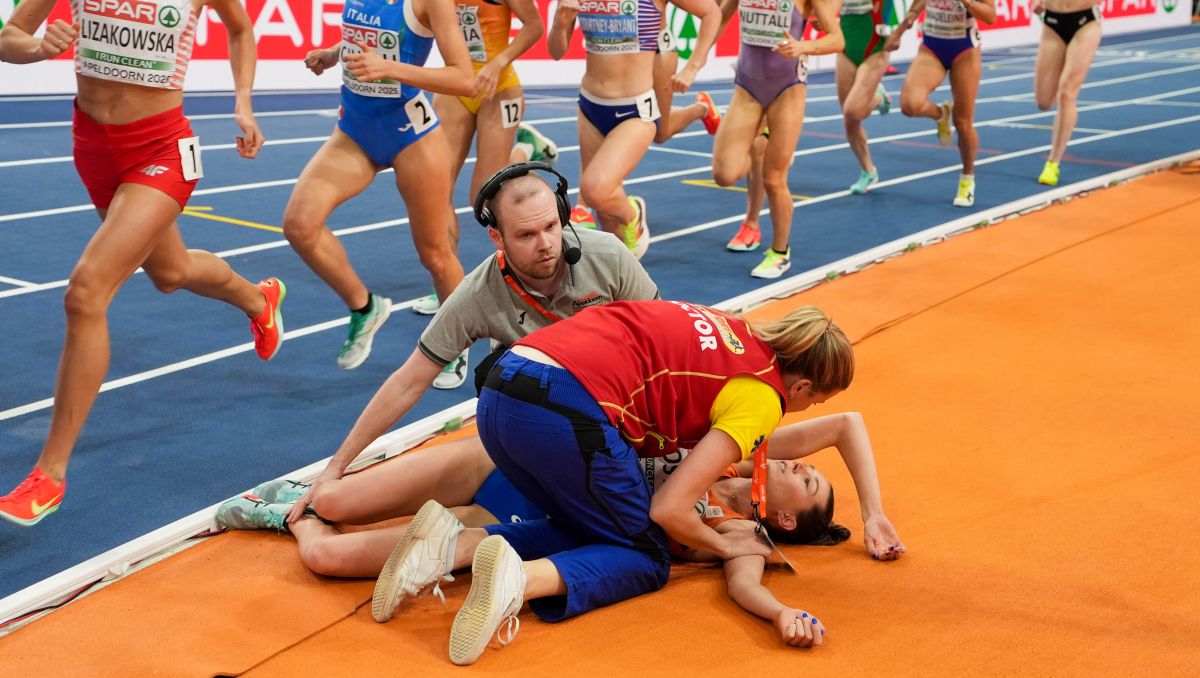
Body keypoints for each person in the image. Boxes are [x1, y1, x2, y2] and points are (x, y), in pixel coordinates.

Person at [370, 301, 886, 664]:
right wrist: (718, 546)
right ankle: (519, 581)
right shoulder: (761, 400)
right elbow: (667, 513)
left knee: (593, 529)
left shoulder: (732, 332)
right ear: (799, 387)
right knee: (646, 555)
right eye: (810, 402)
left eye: (809, 478)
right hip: (565, 408)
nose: (800, 461)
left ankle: (449, 548)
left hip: (505, 386)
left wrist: (775, 596)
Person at [217, 412, 904, 652]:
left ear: (784, 518)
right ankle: (313, 502)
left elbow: (748, 587)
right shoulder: (744, 444)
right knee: (340, 495)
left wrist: (785, 614)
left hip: (534, 523)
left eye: (806, 481)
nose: (797, 464)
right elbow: (846, 424)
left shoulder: (742, 537)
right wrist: (874, 512)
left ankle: (287, 516)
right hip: (509, 463)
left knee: (331, 554)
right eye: (808, 467)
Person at [0, 0, 280, 526]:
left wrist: (243, 104)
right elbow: (8, 36)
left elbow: (240, 29)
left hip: (163, 148)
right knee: (170, 272)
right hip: (93, 145)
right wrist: (36, 49)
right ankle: (257, 297)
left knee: (86, 291)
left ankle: (49, 475)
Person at [278, 163, 660, 528]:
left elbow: (665, 341)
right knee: (333, 501)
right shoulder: (478, 293)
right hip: (529, 435)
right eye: (526, 235)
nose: (546, 244)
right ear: (497, 237)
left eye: (551, 226)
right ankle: (280, 512)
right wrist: (335, 467)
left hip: (617, 426)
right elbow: (409, 381)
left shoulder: (608, 255)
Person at [282, 0, 475, 370]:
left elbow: (463, 78)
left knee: (435, 254)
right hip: (355, 131)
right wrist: (334, 53)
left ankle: (454, 345)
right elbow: (366, 40)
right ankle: (365, 307)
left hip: (411, 136)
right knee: (299, 225)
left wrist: (389, 69)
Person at [549, 0, 722, 256]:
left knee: (595, 189)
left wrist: (693, 66)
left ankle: (634, 214)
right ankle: (622, 279)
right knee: (605, 215)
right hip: (590, 105)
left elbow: (712, 12)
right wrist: (560, 25)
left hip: (636, 107)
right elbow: (556, 51)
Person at [713, 0, 844, 278]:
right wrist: (694, 62)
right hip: (747, 86)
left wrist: (803, 47)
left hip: (788, 88)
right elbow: (719, 18)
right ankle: (758, 142)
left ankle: (779, 252)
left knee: (774, 178)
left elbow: (836, 39)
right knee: (724, 174)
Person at [885, 0, 996, 207]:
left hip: (965, 49)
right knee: (909, 104)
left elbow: (990, 15)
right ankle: (940, 114)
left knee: (963, 123)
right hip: (932, 47)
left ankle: (967, 179)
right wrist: (900, 30)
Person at [1031, 0, 1102, 186]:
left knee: (1067, 92)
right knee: (1043, 101)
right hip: (1053, 21)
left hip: (1085, 21)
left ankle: (1053, 161)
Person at [836, 0, 894, 194]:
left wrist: (897, 30)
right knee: (849, 120)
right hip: (846, 41)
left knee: (853, 110)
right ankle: (868, 171)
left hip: (875, 43)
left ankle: (880, 97)